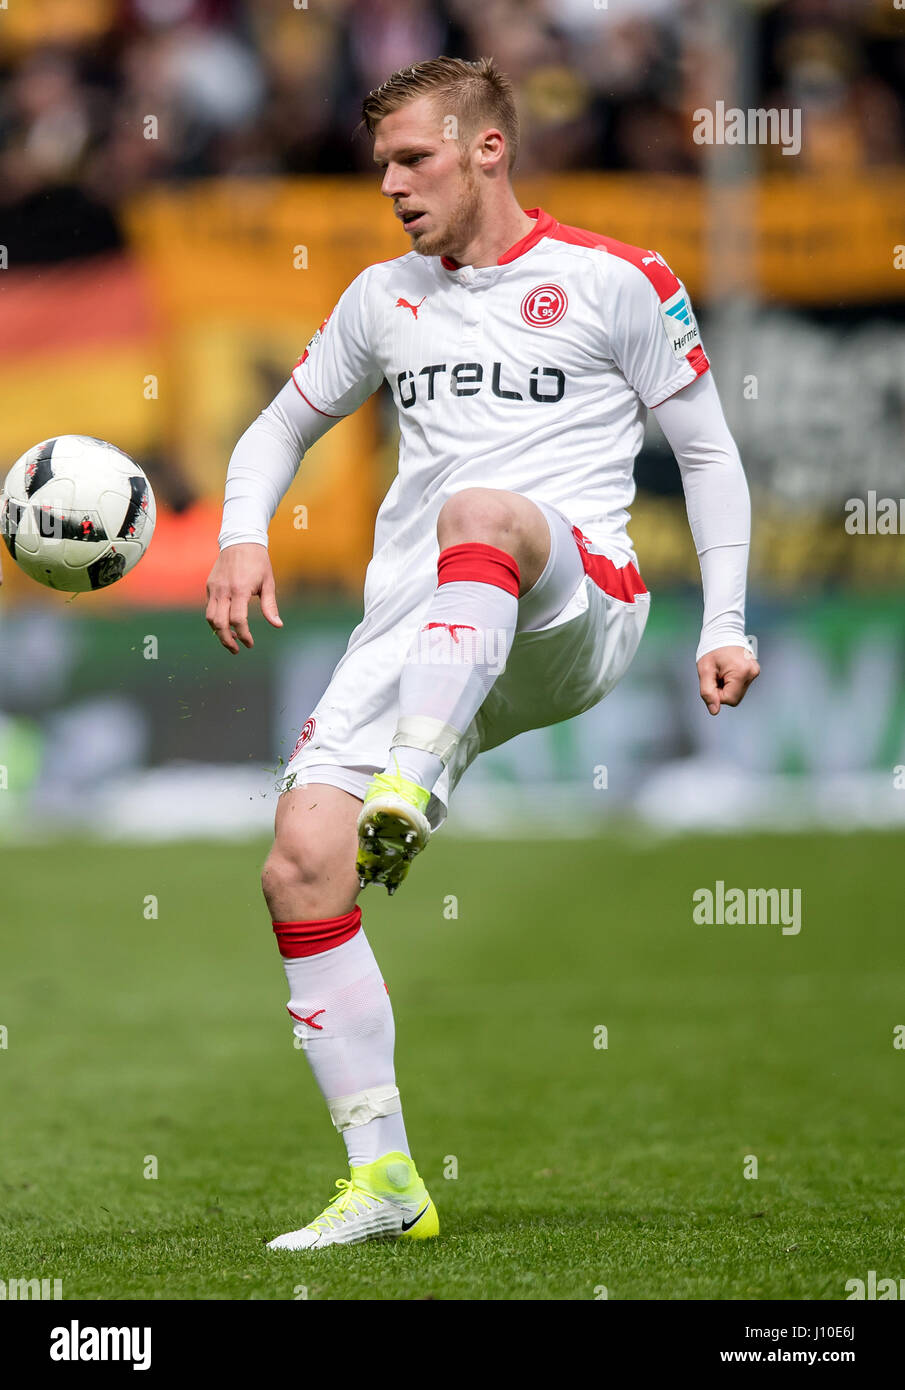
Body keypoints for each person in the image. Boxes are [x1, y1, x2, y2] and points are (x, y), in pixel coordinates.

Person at [205, 56, 759, 1250]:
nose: (393, 186)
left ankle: (411, 780)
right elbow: (276, 426)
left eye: (414, 159)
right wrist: (241, 536)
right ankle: (386, 1178)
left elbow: (708, 456)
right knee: (300, 864)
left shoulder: (616, 280)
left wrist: (725, 621)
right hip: (422, 625)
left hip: (573, 605)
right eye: (381, 167)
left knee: (482, 510)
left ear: (486, 149)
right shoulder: (380, 298)